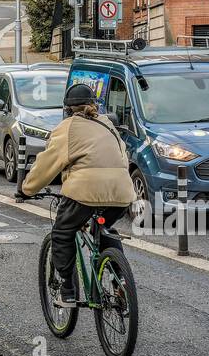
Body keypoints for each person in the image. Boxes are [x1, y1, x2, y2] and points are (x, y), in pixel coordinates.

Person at [16, 82, 134, 307]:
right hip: (121, 192)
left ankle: (67, 291)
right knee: (105, 229)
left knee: (62, 233)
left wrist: (27, 189)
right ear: (93, 105)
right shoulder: (107, 124)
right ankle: (120, 284)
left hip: (84, 192)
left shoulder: (67, 127)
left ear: (68, 109)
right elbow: (122, 156)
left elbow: (47, 162)